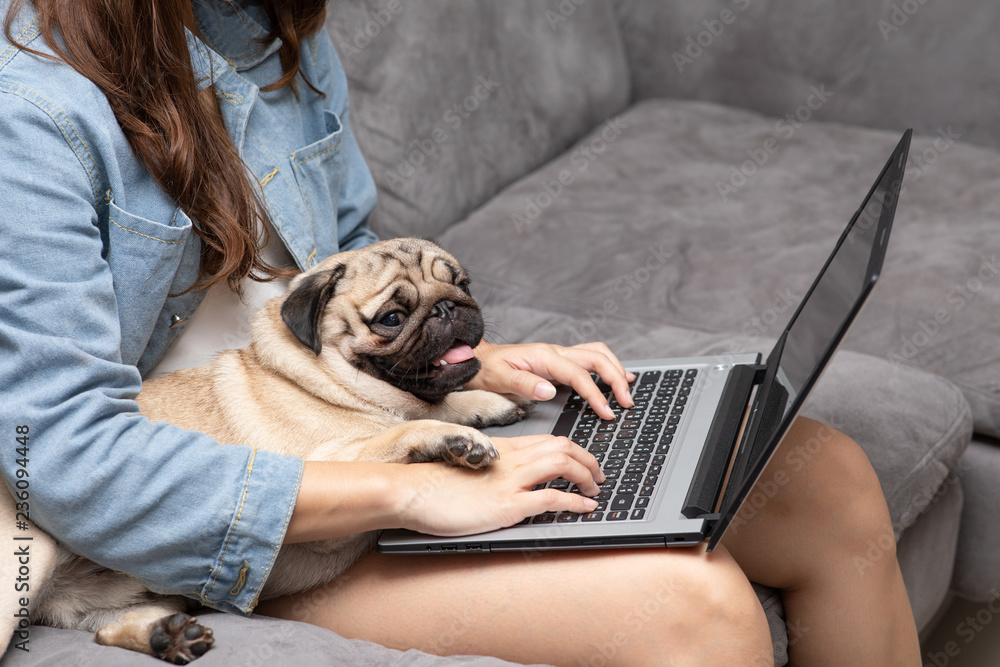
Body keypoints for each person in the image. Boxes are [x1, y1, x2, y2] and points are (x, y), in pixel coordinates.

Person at [0, 0, 920, 665]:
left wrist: (459, 364)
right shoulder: (33, 114)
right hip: (232, 523)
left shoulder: (270, 28)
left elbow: (352, 258)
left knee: (827, 479)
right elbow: (70, 456)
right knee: (698, 606)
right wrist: (404, 487)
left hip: (367, 420)